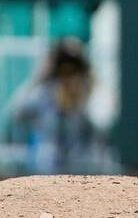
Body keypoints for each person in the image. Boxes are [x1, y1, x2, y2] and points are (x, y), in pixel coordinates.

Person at [7, 37, 97, 174]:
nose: (67, 74)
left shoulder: (89, 93)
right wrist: (38, 77)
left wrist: (89, 85)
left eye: (74, 69)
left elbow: (104, 122)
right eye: (62, 68)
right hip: (46, 170)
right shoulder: (44, 92)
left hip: (83, 171)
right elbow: (15, 112)